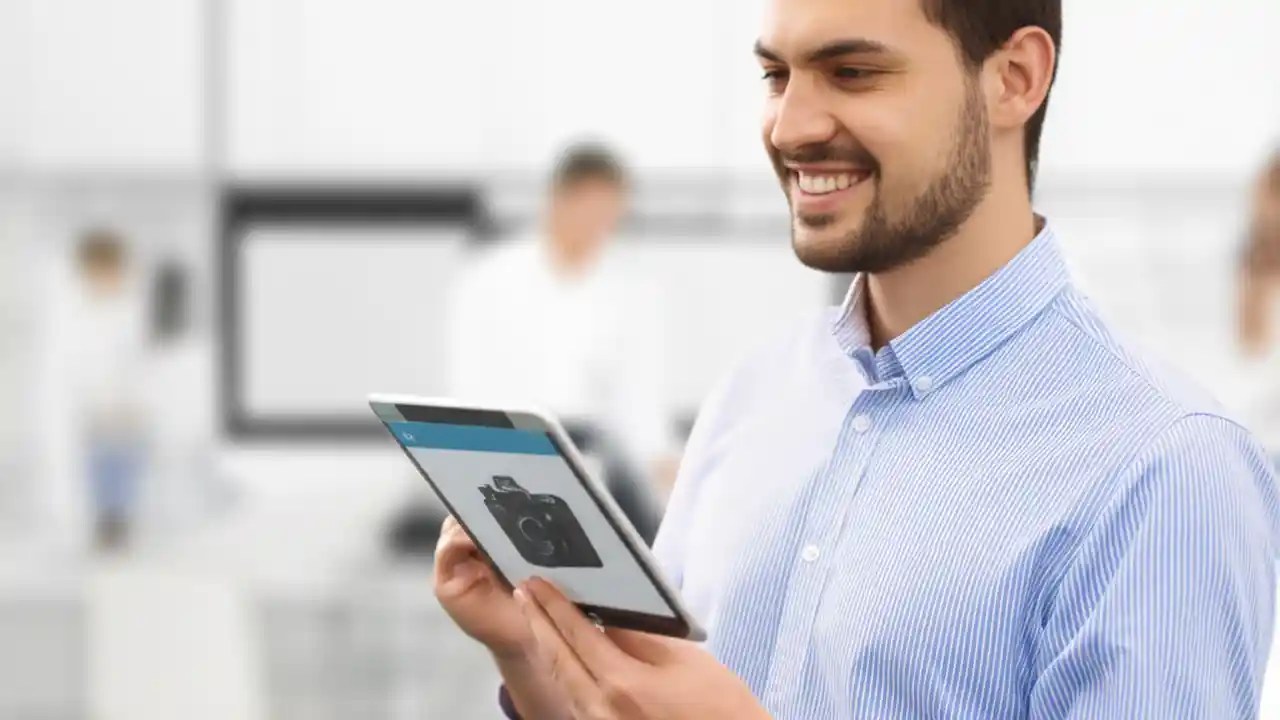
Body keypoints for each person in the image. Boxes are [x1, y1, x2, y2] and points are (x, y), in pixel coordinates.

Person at [434, 1, 1280, 717]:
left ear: (1014, 78)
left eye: (853, 73)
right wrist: (537, 667)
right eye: (777, 76)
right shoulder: (754, 396)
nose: (790, 126)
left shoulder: (1167, 467)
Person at [446, 143, 675, 542]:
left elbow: (637, 399)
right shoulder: (492, 279)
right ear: (558, 201)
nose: (599, 227)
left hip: (590, 460)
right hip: (506, 450)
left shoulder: (631, 289)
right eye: (590, 211)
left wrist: (667, 472)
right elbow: (469, 383)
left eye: (610, 216)